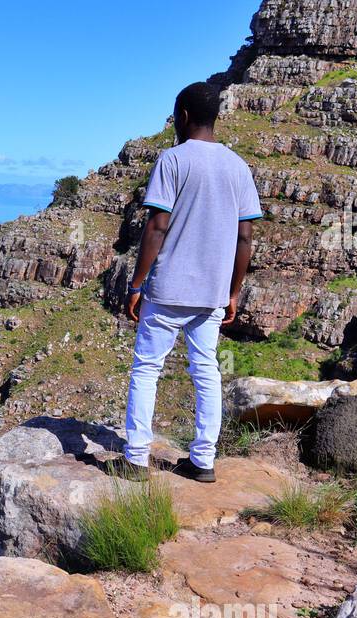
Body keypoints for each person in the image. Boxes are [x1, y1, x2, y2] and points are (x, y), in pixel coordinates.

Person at [120, 81, 261, 483]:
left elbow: (158, 224)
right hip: (212, 294)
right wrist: (233, 291)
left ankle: (134, 459)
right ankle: (203, 461)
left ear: (182, 116)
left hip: (168, 290)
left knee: (148, 369)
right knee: (206, 371)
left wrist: (136, 283)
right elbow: (245, 237)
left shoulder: (173, 160)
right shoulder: (238, 167)